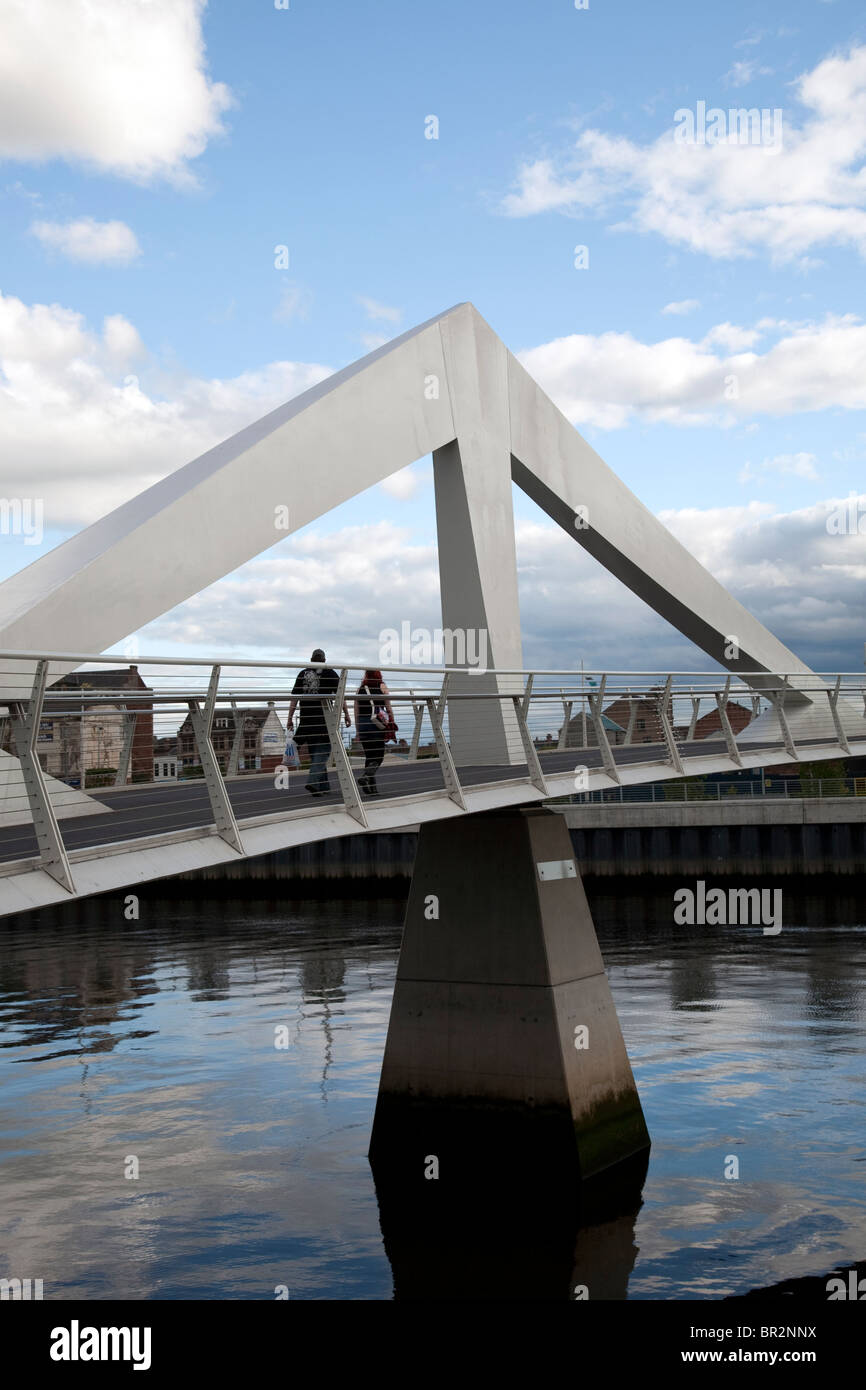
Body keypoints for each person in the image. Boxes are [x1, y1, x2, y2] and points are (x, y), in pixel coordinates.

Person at [287, 649, 351, 796]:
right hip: (324, 720)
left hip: (306, 720)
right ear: (324, 660)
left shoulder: (302, 674)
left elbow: (294, 698)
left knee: (315, 752)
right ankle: (313, 782)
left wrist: (290, 718)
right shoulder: (330, 673)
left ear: (311, 659)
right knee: (323, 751)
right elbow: (340, 696)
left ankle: (323, 787)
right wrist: (346, 714)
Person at [353, 668, 395, 796]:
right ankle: (366, 777)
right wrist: (391, 721)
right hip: (376, 724)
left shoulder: (360, 689)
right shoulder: (382, 686)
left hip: (363, 724)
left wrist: (358, 729)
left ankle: (372, 789)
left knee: (370, 756)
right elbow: (388, 706)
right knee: (379, 756)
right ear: (378, 674)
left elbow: (356, 711)